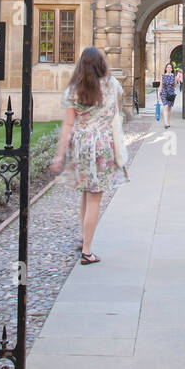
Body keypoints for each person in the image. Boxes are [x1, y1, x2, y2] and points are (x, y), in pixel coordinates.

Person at [50, 46, 125, 265]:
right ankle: (87, 251)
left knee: (85, 192)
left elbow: (67, 124)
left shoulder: (74, 89)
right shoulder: (112, 86)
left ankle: (84, 237)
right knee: (94, 198)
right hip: (101, 144)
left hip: (80, 145)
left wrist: (59, 155)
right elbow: (115, 116)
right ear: (101, 64)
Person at [159, 60, 182, 129]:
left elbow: (175, 86)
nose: (169, 68)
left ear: (172, 69)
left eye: (170, 67)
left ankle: (168, 121)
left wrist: (176, 81)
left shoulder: (174, 76)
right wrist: (158, 95)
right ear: (166, 69)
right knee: (165, 106)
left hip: (171, 94)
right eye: (168, 67)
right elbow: (160, 86)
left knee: (169, 108)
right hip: (164, 93)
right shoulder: (163, 76)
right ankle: (165, 123)